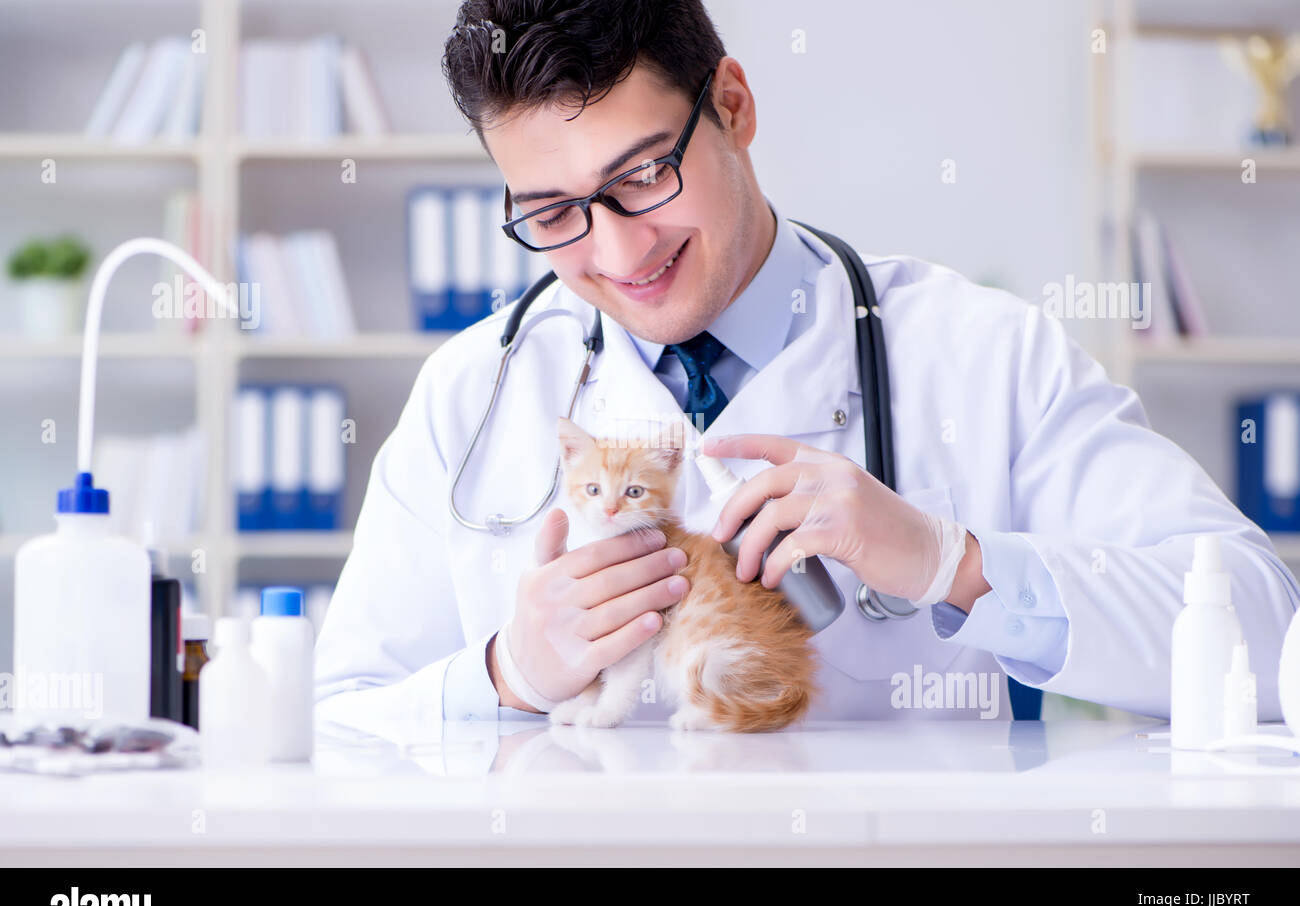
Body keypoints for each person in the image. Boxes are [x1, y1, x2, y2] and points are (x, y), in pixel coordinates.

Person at [313, 0, 1299, 733]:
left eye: (642, 175)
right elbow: (334, 731)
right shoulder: (472, 392)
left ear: (733, 105)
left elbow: (1260, 629)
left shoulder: (980, 353)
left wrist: (951, 561)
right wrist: (505, 677)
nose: (615, 256)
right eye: (552, 212)